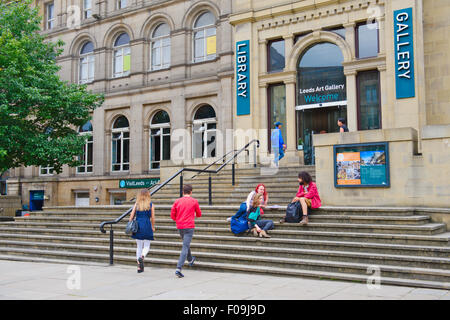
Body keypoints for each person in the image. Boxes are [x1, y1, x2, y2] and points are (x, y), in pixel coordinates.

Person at [170, 184, 202, 278]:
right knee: (185, 246)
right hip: (189, 226)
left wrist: (178, 219)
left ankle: (190, 259)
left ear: (182, 192)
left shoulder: (177, 201)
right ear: (191, 192)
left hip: (180, 226)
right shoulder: (194, 201)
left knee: (186, 244)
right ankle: (178, 268)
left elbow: (172, 215)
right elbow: (199, 214)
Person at [129, 189, 155, 273]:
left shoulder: (136, 204)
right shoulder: (150, 204)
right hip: (147, 225)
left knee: (139, 246)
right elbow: (153, 217)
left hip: (138, 226)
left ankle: (139, 267)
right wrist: (153, 226)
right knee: (147, 246)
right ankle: (142, 256)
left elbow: (131, 216)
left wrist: (130, 224)